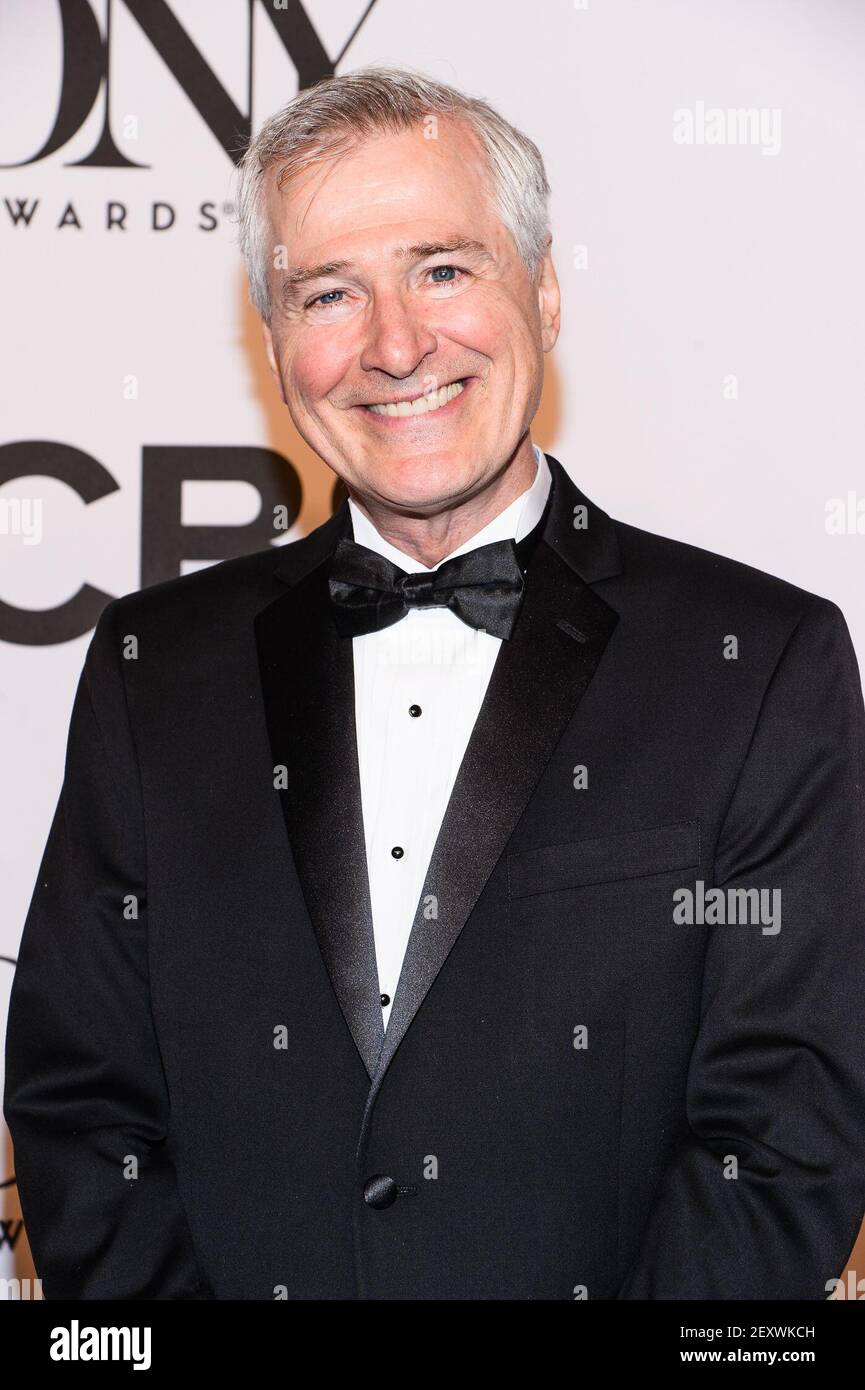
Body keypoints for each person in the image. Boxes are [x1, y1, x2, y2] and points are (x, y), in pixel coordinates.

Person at [5, 66, 865, 1301]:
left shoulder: (755, 663)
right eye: (329, 293)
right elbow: (82, 1101)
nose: (395, 343)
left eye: (443, 269)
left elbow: (781, 1132)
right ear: (272, 341)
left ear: (546, 290)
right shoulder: (155, 668)